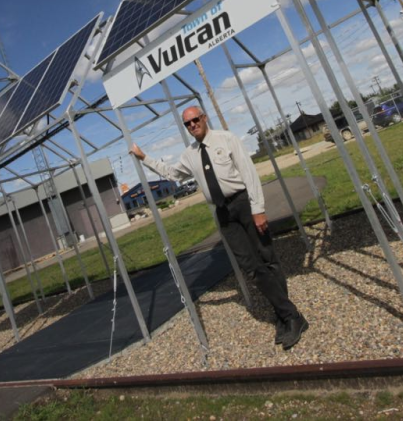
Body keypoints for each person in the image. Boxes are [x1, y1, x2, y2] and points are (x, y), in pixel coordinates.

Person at [130, 106, 308, 350]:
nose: (192, 125)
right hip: (224, 213)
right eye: (188, 124)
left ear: (204, 118)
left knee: (268, 258)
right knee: (251, 267)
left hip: (244, 204)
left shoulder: (227, 139)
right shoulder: (190, 155)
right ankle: (290, 314)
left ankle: (286, 316)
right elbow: (171, 173)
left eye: (195, 120)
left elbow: (249, 172)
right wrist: (144, 158)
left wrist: (258, 208)